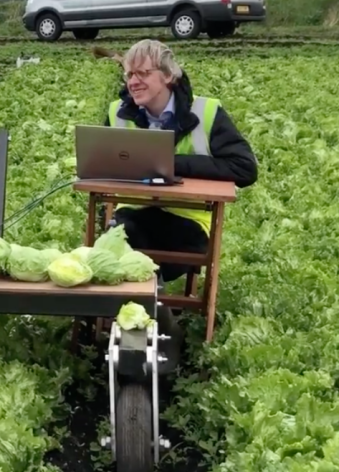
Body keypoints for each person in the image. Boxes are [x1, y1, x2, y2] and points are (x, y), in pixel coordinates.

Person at [100, 39, 257, 361]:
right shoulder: (118, 113)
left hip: (189, 223)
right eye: (129, 73)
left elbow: (244, 168)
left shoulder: (207, 112)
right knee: (116, 243)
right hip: (135, 214)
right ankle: (143, 329)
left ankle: (153, 331)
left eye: (143, 72)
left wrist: (171, 163)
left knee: (139, 260)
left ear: (168, 75)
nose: (132, 81)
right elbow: (102, 164)